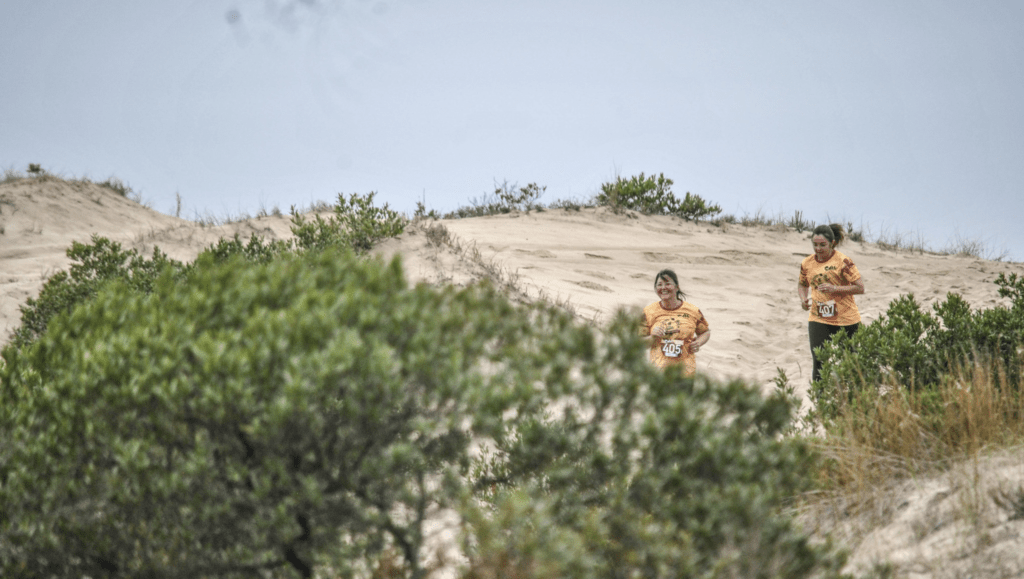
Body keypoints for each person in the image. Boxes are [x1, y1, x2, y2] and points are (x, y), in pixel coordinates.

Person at [798, 223, 865, 383]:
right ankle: (820, 401)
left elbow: (860, 288)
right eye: (815, 244)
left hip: (846, 318)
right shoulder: (807, 263)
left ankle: (855, 399)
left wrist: (834, 288)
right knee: (819, 360)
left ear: (832, 243)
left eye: (822, 245)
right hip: (819, 317)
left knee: (852, 361)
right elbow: (802, 284)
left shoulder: (843, 261)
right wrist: (803, 299)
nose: (818, 249)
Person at [640, 269, 710, 376]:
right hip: (658, 374)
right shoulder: (648, 312)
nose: (663, 288)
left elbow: (705, 332)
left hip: (685, 373)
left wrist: (698, 343)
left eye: (667, 284)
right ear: (655, 289)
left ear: (677, 287)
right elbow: (638, 343)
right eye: (659, 285)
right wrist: (652, 337)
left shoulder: (693, 310)